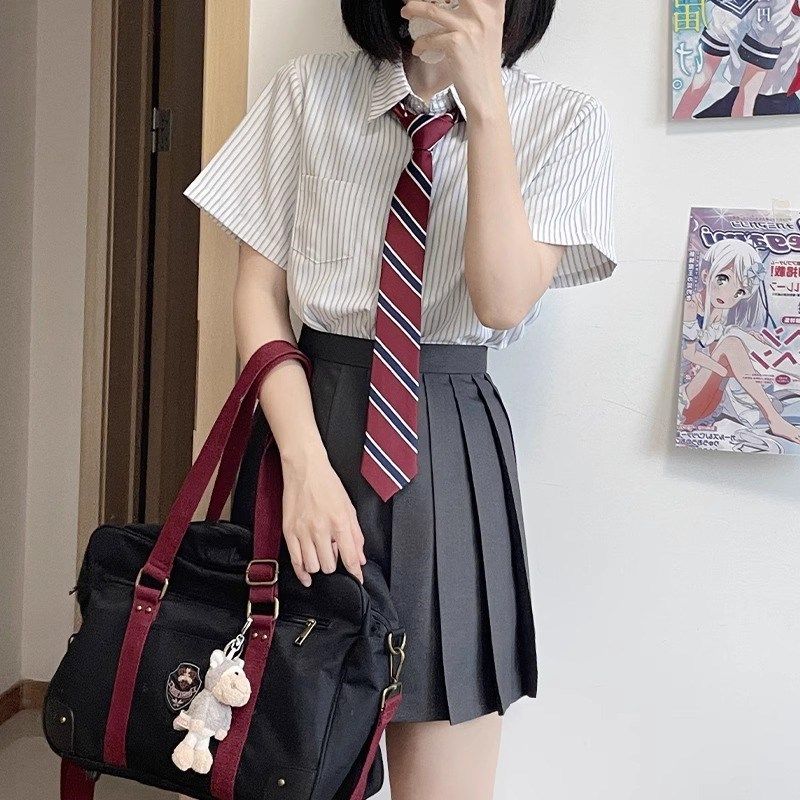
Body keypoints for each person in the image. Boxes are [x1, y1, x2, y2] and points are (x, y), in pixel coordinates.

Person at [182, 0, 616, 797]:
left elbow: (501, 301)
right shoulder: (307, 92)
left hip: (452, 454)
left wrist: (484, 105)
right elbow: (256, 294)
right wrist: (303, 465)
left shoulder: (563, 120)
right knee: (274, 752)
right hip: (305, 421)